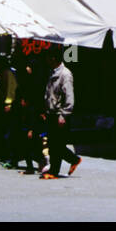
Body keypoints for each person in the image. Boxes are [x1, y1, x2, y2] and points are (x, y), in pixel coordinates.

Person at [42, 49, 81, 180]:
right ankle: (74, 160)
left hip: (60, 114)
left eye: (47, 57)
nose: (46, 60)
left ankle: (54, 171)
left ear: (53, 58)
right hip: (51, 112)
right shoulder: (51, 72)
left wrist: (64, 115)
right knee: (54, 143)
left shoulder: (65, 74)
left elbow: (70, 97)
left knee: (56, 144)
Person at [9, 58, 44, 175]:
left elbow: (36, 106)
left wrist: (32, 127)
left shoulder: (35, 84)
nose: (27, 69)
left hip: (32, 117)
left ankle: (40, 163)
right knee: (27, 142)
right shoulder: (27, 82)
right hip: (25, 116)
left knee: (31, 141)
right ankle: (33, 165)